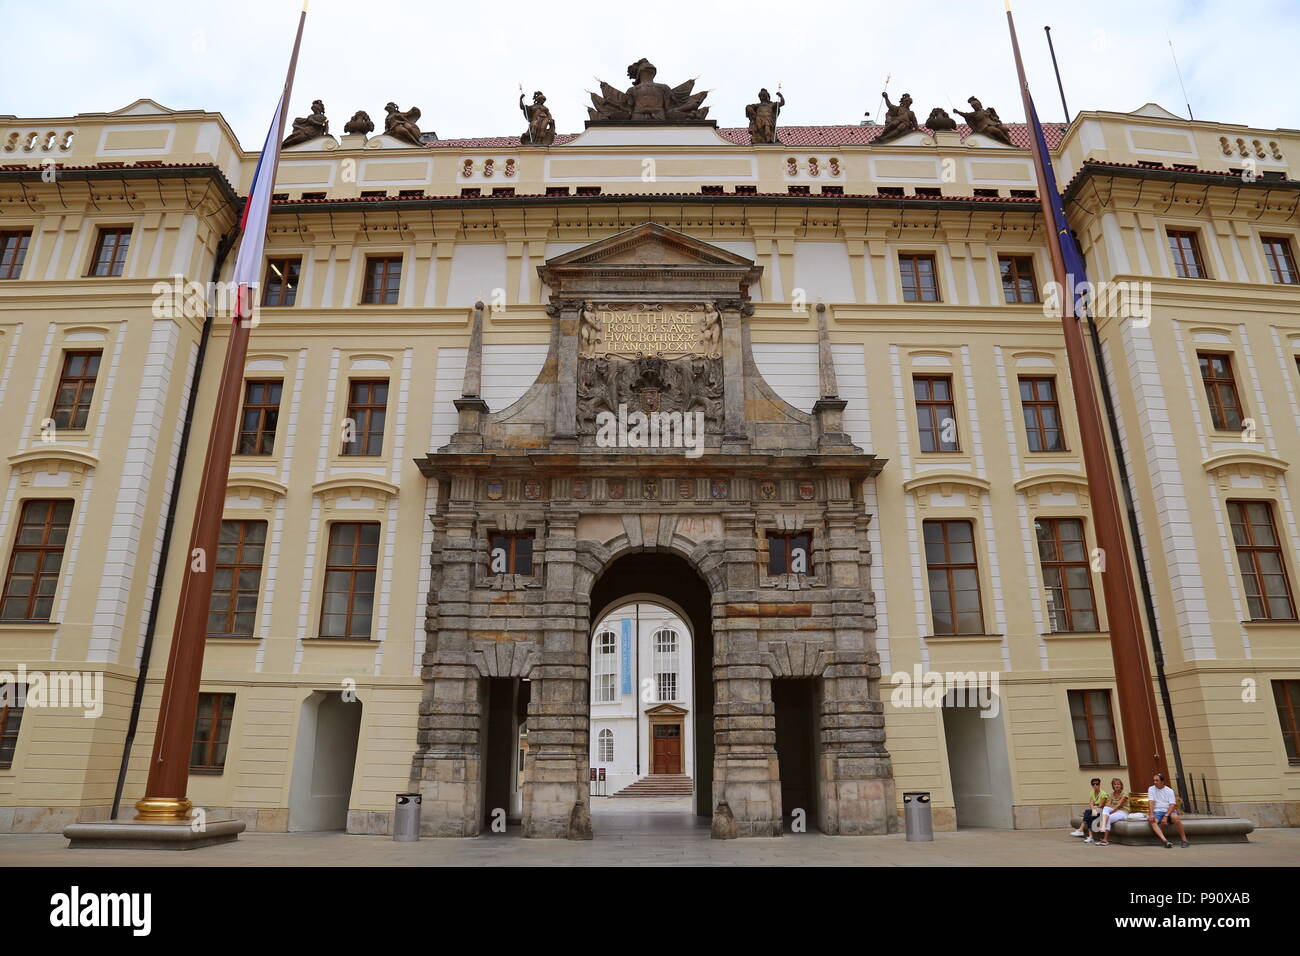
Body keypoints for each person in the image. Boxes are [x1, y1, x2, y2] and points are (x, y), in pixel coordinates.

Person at [1148, 772, 1189, 848]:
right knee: (1152, 821)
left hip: (1168, 810)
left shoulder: (1169, 791)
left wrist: (1166, 816)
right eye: (1154, 780)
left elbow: (1172, 805)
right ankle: (1165, 841)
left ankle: (1184, 840)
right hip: (1157, 811)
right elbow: (1151, 802)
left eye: (1157, 780)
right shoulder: (1151, 789)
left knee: (1176, 818)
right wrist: (1151, 814)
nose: (1155, 782)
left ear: (1162, 781)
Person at [1071, 778, 1108, 843]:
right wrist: (1093, 808)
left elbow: (1101, 805)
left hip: (1101, 812)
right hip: (1094, 811)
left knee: (1087, 812)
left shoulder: (1103, 794)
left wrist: (1093, 808)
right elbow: (1091, 803)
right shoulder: (1092, 793)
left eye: (1097, 784)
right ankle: (1089, 836)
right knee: (1088, 815)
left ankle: (1081, 830)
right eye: (1093, 784)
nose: (1095, 785)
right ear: (1092, 785)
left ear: (1099, 785)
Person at [1097, 777, 1129, 846]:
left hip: (1122, 811)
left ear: (1121, 785)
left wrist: (1110, 812)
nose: (1116, 786)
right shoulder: (1111, 794)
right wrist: (1109, 811)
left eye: (1118, 784)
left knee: (1108, 817)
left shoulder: (1124, 794)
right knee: (1106, 809)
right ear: (1113, 786)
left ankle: (1105, 839)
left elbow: (1119, 805)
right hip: (1114, 810)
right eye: (1115, 784)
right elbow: (1108, 804)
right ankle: (1105, 839)